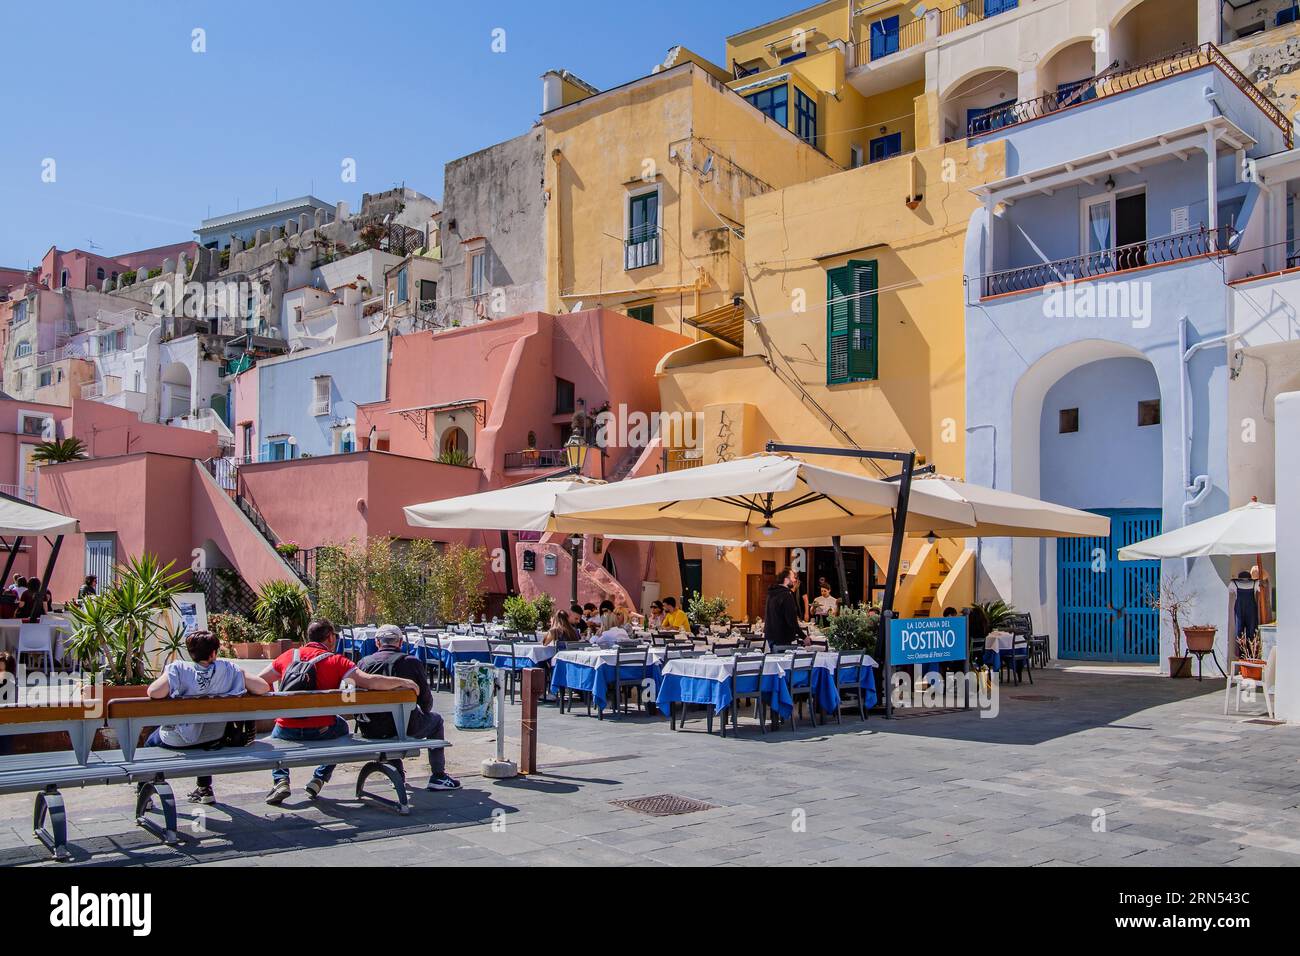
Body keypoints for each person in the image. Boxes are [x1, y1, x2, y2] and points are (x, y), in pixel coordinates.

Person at [256, 618, 419, 805]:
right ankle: (319, 777)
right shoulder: (336, 661)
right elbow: (371, 681)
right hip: (321, 730)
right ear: (330, 638)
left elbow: (259, 681)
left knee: (278, 727)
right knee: (342, 729)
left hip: (286, 729)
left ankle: (281, 780)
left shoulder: (288, 656)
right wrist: (403, 682)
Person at [145, 630, 272, 805]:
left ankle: (144, 793)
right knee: (203, 733)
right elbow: (263, 687)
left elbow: (154, 692)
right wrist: (239, 673)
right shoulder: (228, 670)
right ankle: (204, 788)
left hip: (179, 740)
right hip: (214, 737)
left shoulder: (180, 670)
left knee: (150, 741)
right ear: (213, 653)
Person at [356, 624, 460, 791]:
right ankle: (438, 775)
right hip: (406, 729)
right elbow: (426, 703)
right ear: (401, 642)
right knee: (436, 720)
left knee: (387, 721)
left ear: (377, 642)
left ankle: (397, 772)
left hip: (372, 729)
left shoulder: (363, 664)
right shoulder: (411, 663)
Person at [764, 567, 805, 650]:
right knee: (784, 662)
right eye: (793, 577)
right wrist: (804, 637)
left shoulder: (771, 593)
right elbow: (791, 620)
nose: (795, 580)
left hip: (771, 635)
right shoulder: (786, 595)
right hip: (782, 636)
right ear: (786, 580)